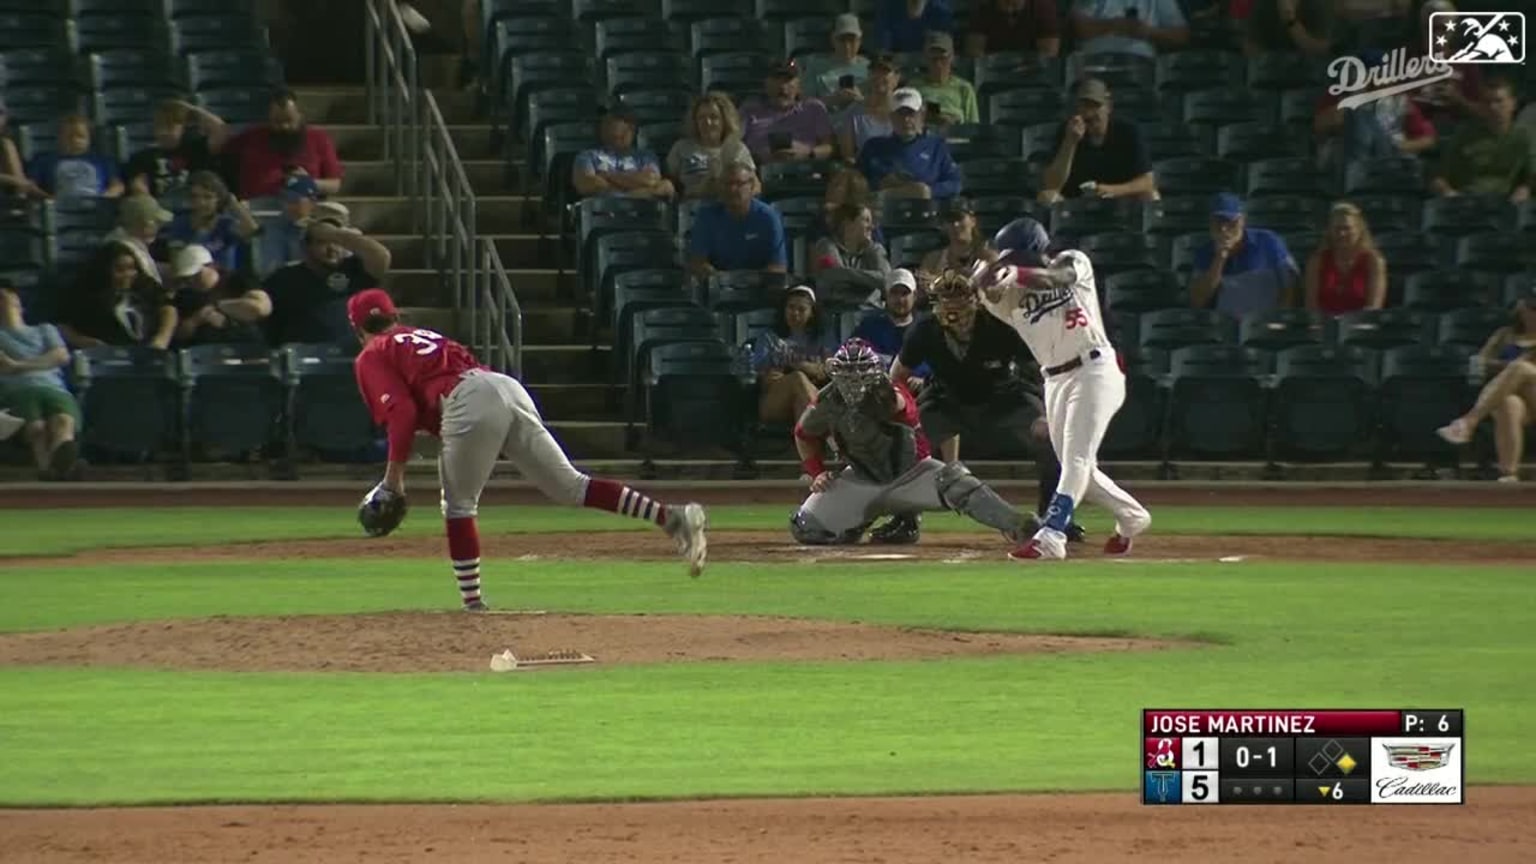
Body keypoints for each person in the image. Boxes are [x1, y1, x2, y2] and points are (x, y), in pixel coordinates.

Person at [347, 288, 708, 610]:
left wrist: (393, 479)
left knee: (458, 504)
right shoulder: (421, 335)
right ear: (395, 317)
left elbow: (403, 412)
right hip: (505, 387)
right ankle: (673, 517)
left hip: (467, 399)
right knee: (570, 486)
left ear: (357, 329)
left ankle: (472, 604)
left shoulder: (372, 353)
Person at [972, 217, 1153, 560]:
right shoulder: (1009, 298)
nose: (1017, 268)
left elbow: (1059, 277)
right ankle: (1132, 516)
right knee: (1078, 465)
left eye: (1022, 260)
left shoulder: (1072, 261)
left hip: (1096, 369)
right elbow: (990, 293)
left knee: (1077, 459)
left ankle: (1052, 536)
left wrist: (1020, 273)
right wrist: (985, 273)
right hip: (1054, 380)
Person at [890, 268, 1084, 545]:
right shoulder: (924, 330)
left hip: (1003, 397)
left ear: (976, 301)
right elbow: (895, 377)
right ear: (937, 306)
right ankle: (905, 518)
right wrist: (905, 413)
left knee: (1051, 438)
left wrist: (1049, 413)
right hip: (946, 400)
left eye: (962, 300)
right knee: (904, 442)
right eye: (948, 302)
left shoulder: (1000, 325)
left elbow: (1043, 371)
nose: (956, 311)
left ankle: (1056, 518)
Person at [789, 338, 1035, 546]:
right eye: (848, 372)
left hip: (912, 473)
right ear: (836, 371)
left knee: (955, 480)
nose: (854, 379)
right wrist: (817, 471)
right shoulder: (827, 401)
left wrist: (884, 402)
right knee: (808, 528)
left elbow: (907, 411)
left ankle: (1016, 523)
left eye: (861, 371)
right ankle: (865, 522)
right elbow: (804, 434)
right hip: (863, 476)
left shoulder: (889, 392)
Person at [1437, 295, 1536, 483]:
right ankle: (1508, 474)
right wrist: (1505, 366)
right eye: (1531, 308)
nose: (1534, 314)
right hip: (1519, 400)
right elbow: (1481, 363)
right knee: (1507, 404)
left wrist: (1506, 366)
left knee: (1520, 368)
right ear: (1521, 309)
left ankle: (1468, 422)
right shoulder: (1504, 335)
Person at [263, 217, 392, 345]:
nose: (332, 248)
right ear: (306, 247)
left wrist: (333, 234)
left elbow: (381, 256)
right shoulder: (284, 277)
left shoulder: (354, 269)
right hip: (304, 357)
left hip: (352, 353)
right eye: (322, 242)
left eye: (337, 242)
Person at [0, 281, 81, 480]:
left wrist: (19, 366)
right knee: (37, 429)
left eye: (5, 295)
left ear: (18, 301)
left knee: (62, 422)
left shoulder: (45, 330)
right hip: (18, 391)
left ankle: (58, 467)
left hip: (53, 387)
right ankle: (52, 470)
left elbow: (60, 356)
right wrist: (42, 362)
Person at [1038, 78, 1157, 204]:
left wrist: (1112, 190)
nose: (1089, 113)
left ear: (1108, 107)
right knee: (1046, 197)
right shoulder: (1066, 131)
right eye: (1085, 106)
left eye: (1096, 106)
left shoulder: (1128, 131)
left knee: (1151, 195)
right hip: (1075, 203)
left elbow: (1147, 182)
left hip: (1119, 201)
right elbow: (1052, 184)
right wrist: (1070, 142)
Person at [216, 89, 343, 199]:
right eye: (277, 121)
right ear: (269, 118)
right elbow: (219, 144)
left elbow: (334, 184)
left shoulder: (319, 138)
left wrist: (308, 183)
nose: (284, 126)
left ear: (300, 116)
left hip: (302, 209)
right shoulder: (252, 136)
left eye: (289, 120)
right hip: (257, 208)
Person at [1188, 193, 1300, 318]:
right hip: (1226, 328)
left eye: (1230, 222)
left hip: (1265, 325)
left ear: (1242, 221)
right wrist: (1219, 258)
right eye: (1218, 222)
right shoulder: (1204, 253)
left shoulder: (1268, 241)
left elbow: (1290, 285)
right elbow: (1198, 301)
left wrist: (1279, 318)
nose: (1224, 229)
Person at [747, 285, 839, 427]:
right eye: (790, 307)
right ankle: (815, 441)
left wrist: (801, 365)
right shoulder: (768, 337)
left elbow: (831, 370)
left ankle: (805, 442)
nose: (795, 313)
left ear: (812, 312)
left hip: (815, 394)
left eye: (801, 309)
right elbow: (763, 377)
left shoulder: (823, 338)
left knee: (805, 387)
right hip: (774, 401)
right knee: (798, 379)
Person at [55, 243, 177, 349]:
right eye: (120, 270)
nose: (127, 275)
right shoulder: (85, 297)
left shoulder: (146, 286)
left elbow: (168, 309)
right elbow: (62, 325)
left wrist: (162, 338)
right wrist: (82, 341)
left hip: (151, 355)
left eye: (131, 268)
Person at [1430, 79, 1533, 202]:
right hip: (1467, 202)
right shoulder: (1465, 135)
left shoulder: (1525, 136)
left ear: (1513, 104)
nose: (1493, 107)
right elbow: (1440, 177)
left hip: (1507, 204)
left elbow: (1532, 174)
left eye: (1499, 101)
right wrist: (1449, 193)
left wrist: (1526, 189)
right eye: (1487, 102)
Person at [686, 161, 789, 281]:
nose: (732, 189)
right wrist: (717, 277)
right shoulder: (706, 216)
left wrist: (748, 281)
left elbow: (778, 267)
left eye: (739, 184)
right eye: (727, 184)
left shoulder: (768, 218)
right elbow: (697, 262)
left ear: (751, 186)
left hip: (758, 287)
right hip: (718, 287)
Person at [856, 88, 963, 202]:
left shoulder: (936, 146)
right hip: (881, 211)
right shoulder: (874, 146)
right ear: (891, 116)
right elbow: (857, 180)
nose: (906, 120)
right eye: (900, 114)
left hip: (924, 210)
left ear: (922, 115)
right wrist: (879, 184)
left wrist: (929, 191)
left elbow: (955, 183)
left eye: (911, 114)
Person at [169, 244, 272, 346]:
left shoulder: (239, 280)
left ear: (211, 265)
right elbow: (177, 333)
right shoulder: (185, 296)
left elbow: (260, 308)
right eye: (186, 278)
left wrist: (217, 307)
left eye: (196, 275)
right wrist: (197, 319)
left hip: (247, 347)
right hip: (205, 352)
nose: (191, 281)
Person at [123, 99, 222, 202]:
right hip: (159, 209)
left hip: (197, 205)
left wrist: (192, 110)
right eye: (160, 127)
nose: (164, 132)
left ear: (182, 128)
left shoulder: (196, 148)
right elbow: (139, 186)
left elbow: (221, 131)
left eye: (170, 127)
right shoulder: (142, 157)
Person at [739, 59, 836, 163]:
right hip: (758, 170)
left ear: (799, 85)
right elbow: (733, 143)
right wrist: (757, 158)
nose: (782, 87)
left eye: (788, 80)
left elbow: (829, 147)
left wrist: (808, 154)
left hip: (805, 169)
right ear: (766, 84)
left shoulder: (813, 108)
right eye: (777, 79)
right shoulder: (749, 109)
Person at [665, 93, 756, 201]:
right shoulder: (681, 147)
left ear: (724, 121)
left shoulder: (737, 149)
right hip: (692, 205)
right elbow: (670, 183)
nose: (707, 123)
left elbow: (755, 185)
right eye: (701, 118)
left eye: (714, 117)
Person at [571, 107, 675, 201]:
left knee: (666, 186)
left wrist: (607, 176)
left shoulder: (646, 156)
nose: (627, 130)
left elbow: (651, 179)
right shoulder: (587, 156)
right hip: (605, 212)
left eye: (629, 126)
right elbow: (587, 185)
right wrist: (640, 189)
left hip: (641, 211)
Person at [165, 171, 259, 273]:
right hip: (192, 282)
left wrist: (233, 204)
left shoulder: (225, 224)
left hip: (224, 282)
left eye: (208, 197)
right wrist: (201, 232)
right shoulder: (180, 223)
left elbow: (252, 230)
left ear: (218, 200)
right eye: (194, 196)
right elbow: (177, 263)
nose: (201, 202)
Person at [1302, 202, 1386, 315]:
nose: (1342, 234)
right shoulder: (1317, 261)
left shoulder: (1373, 261)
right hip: (1324, 326)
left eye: (1347, 228)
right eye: (1337, 229)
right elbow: (1311, 306)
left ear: (1359, 230)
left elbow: (1373, 307)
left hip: (1359, 327)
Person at [25, 114, 124, 199]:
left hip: (97, 204)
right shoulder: (44, 160)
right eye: (69, 136)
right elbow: (30, 185)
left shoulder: (103, 161)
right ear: (59, 137)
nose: (75, 140)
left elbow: (117, 186)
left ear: (89, 138)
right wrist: (48, 199)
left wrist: (105, 198)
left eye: (80, 136)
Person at [811, 202, 892, 304]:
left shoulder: (875, 249)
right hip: (837, 311)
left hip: (871, 311)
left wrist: (845, 273)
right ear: (848, 224)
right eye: (866, 220)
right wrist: (870, 281)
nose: (871, 227)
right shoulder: (826, 246)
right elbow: (834, 278)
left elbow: (886, 280)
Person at [917, 197, 997, 296]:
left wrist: (940, 282)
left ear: (973, 221)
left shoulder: (987, 257)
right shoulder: (933, 259)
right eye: (950, 220)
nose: (955, 225)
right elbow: (923, 292)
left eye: (959, 218)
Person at [798, 14, 871, 112]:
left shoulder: (870, 68)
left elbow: (881, 107)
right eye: (842, 40)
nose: (847, 46)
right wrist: (831, 100)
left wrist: (860, 100)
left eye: (852, 40)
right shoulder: (816, 68)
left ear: (860, 41)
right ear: (832, 40)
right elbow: (803, 105)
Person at [1071, 0, 1190, 59]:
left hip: (1143, 63)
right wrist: (1113, 25)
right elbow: (1080, 28)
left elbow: (1181, 35)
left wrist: (1149, 32)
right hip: (1096, 60)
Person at [837, 54, 900, 163]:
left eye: (885, 72)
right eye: (874, 72)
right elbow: (848, 155)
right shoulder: (853, 113)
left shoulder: (906, 110)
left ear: (897, 78)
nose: (879, 76)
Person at [255, 174, 319, 278]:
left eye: (294, 200)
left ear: (313, 201)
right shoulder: (274, 227)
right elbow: (269, 270)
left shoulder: (325, 226)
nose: (287, 205)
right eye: (284, 199)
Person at [911, 33, 979, 126]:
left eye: (943, 58)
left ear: (952, 58)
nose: (938, 64)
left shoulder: (964, 88)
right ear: (926, 58)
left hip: (956, 136)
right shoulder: (914, 87)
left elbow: (973, 125)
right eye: (934, 59)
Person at [966, 0, 1062, 56]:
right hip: (992, 74)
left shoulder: (1043, 7)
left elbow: (1049, 54)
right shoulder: (983, 7)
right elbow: (974, 52)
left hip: (1034, 75)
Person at [1243, 0, 1333, 56]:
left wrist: (1291, 21)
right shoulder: (1264, 3)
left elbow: (1320, 51)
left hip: (1308, 75)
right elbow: (1250, 46)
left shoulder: (1317, 4)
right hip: (1268, 72)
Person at [875, 0, 954, 53]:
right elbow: (884, 47)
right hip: (896, 66)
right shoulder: (889, 6)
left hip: (930, 64)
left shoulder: (940, 11)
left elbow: (943, 48)